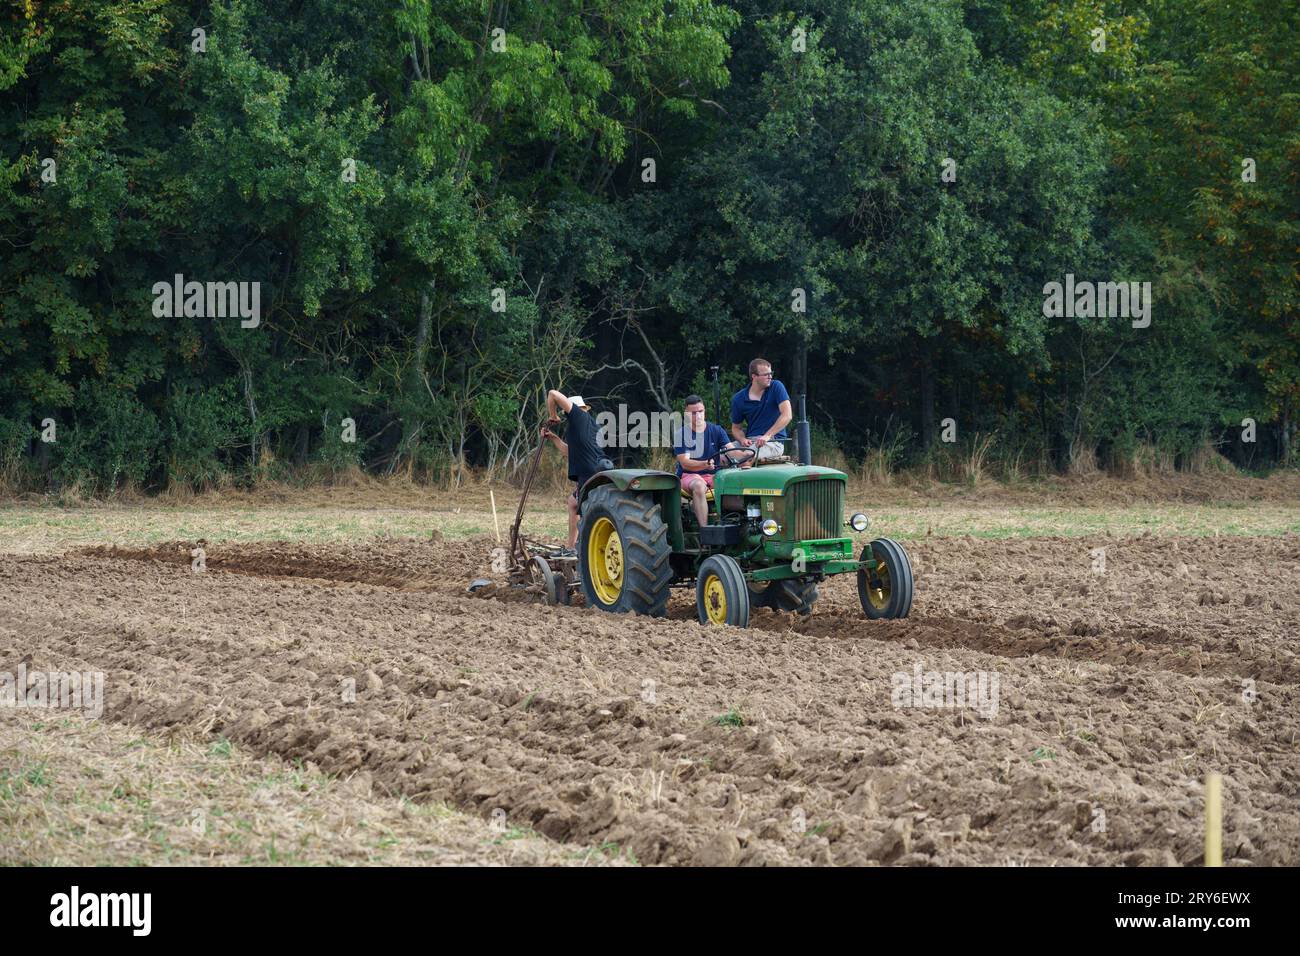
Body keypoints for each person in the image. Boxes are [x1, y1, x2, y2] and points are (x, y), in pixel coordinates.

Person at [542, 390, 604, 552]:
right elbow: (570, 452)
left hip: (589, 474)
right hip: (595, 470)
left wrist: (553, 415)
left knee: (585, 510)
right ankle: (572, 546)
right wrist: (554, 438)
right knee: (573, 502)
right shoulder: (588, 425)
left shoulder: (578, 417)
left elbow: (552, 394)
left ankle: (577, 548)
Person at [672, 395, 731, 527]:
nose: (698, 416)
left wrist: (748, 455)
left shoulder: (717, 430)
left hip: (714, 475)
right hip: (689, 476)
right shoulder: (681, 434)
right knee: (699, 485)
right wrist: (704, 464)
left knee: (736, 481)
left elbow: (732, 451)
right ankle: (705, 532)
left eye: (701, 411)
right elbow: (685, 463)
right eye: (694, 413)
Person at [729, 357, 792, 466]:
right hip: (749, 442)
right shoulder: (738, 398)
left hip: (772, 442)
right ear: (754, 376)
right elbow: (736, 428)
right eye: (766, 374)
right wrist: (742, 439)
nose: (770, 377)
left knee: (747, 456)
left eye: (771, 373)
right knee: (722, 451)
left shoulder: (776, 386)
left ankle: (742, 464)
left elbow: (787, 415)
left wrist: (767, 436)